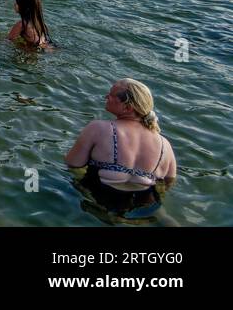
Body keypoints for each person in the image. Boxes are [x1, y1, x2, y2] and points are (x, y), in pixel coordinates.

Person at [64, 79, 178, 213]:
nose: (106, 97)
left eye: (111, 95)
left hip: (101, 195)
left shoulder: (98, 128)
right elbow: (169, 181)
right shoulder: (165, 144)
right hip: (146, 202)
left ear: (128, 107)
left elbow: (72, 164)